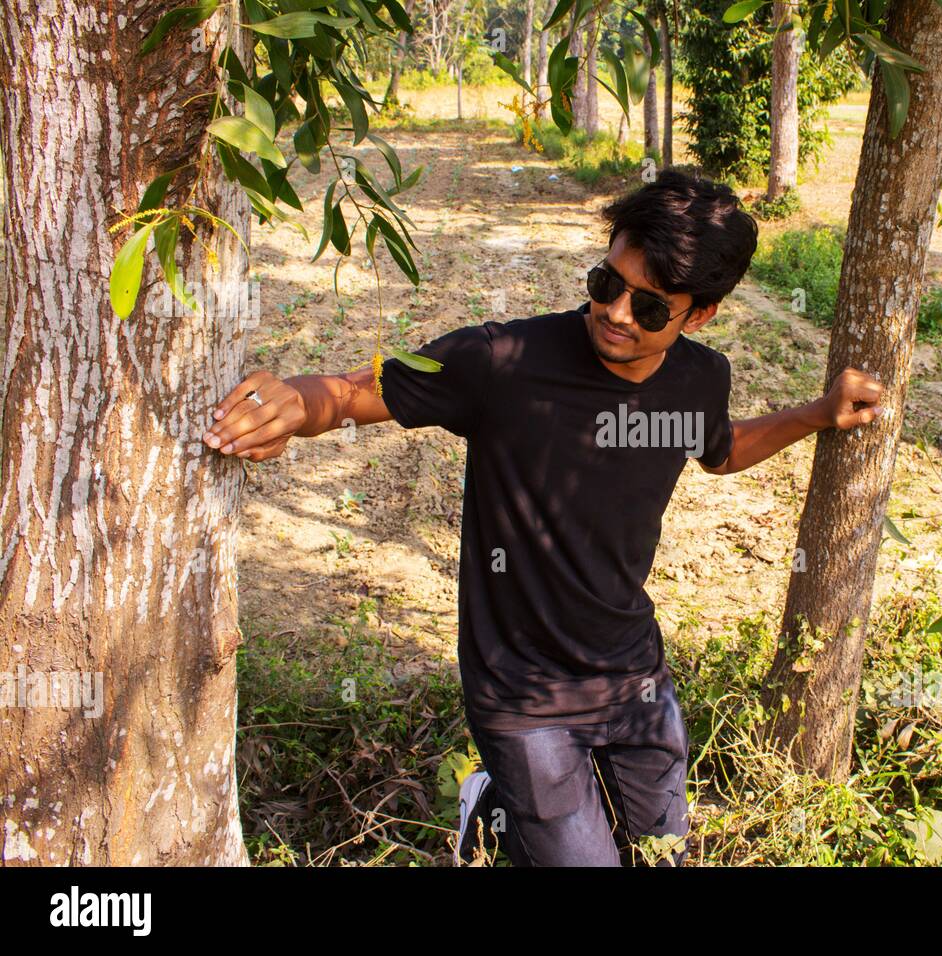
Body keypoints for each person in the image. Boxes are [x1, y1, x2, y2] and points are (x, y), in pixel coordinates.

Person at [202, 170, 884, 866]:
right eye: (606, 283)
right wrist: (293, 404)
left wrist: (817, 414)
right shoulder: (505, 362)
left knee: (663, 857)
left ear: (698, 316)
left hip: (634, 673)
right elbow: (354, 393)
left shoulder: (699, 378)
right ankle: (497, 805)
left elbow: (721, 447)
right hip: (523, 693)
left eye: (651, 308)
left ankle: (502, 814)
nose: (617, 313)